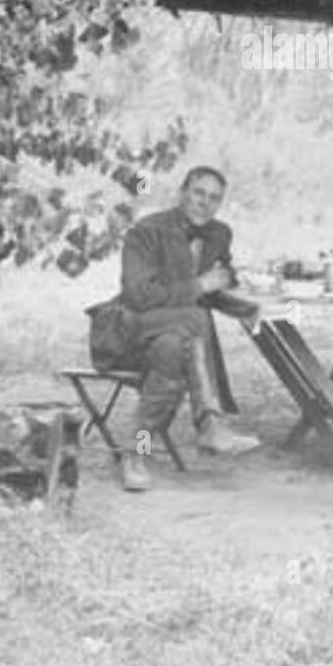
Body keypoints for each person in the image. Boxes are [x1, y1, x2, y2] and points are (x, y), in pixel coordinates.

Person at [90, 165, 261, 490]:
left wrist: (244, 307)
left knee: (170, 352)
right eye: (198, 193)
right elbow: (138, 297)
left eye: (214, 198)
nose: (204, 203)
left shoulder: (219, 234)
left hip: (174, 338)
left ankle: (135, 456)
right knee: (195, 320)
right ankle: (209, 422)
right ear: (182, 192)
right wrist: (199, 285)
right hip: (128, 331)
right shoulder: (146, 230)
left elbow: (214, 290)